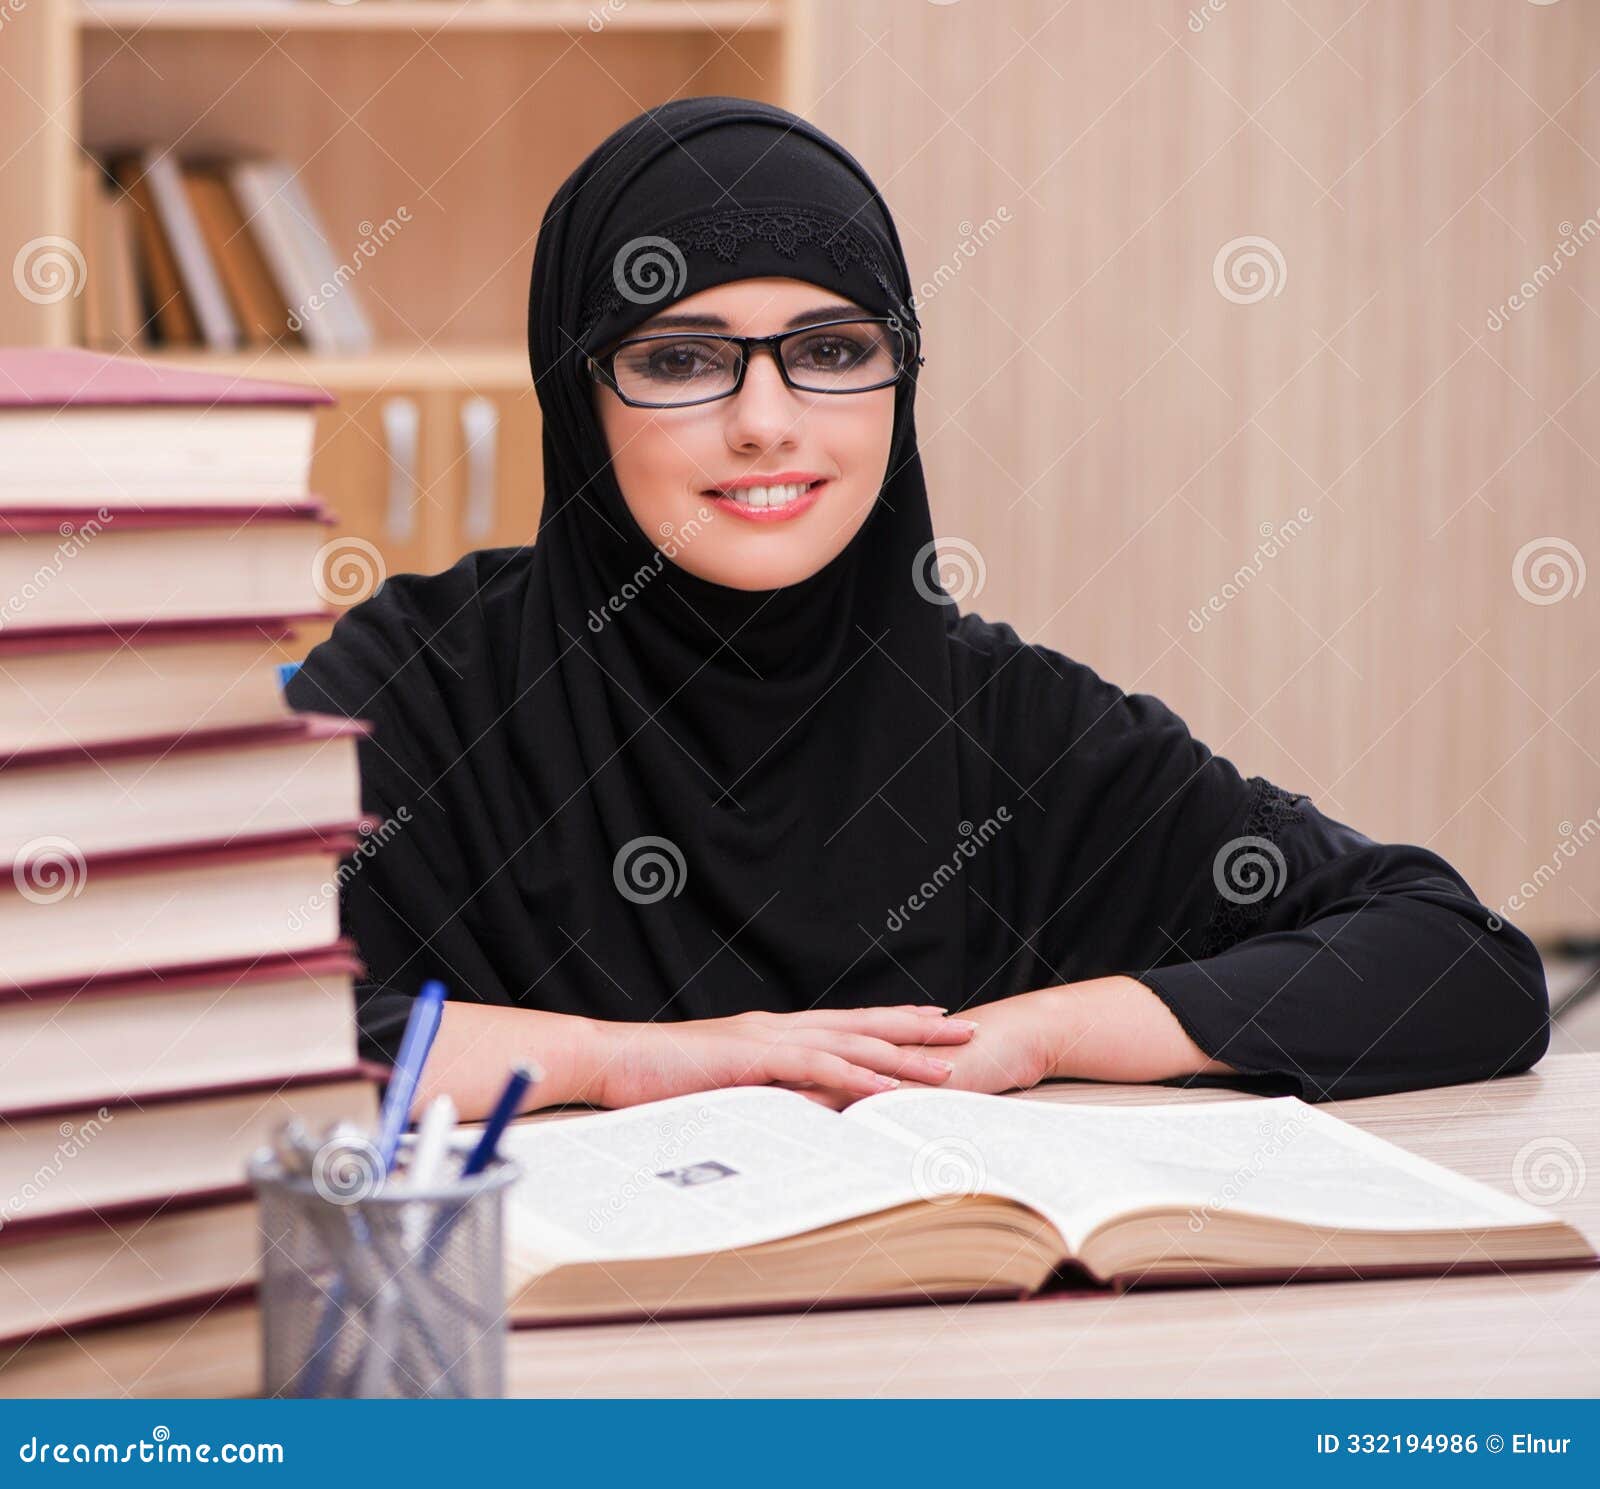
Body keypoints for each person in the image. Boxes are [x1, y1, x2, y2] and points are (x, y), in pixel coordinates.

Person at [285, 96, 1550, 1122]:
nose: (766, 421)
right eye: (680, 358)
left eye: (832, 350)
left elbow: (1459, 960)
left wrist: (1038, 1033)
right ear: (578, 397)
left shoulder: (1010, 723)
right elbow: (182, 1034)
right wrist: (621, 1061)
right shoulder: (421, 682)